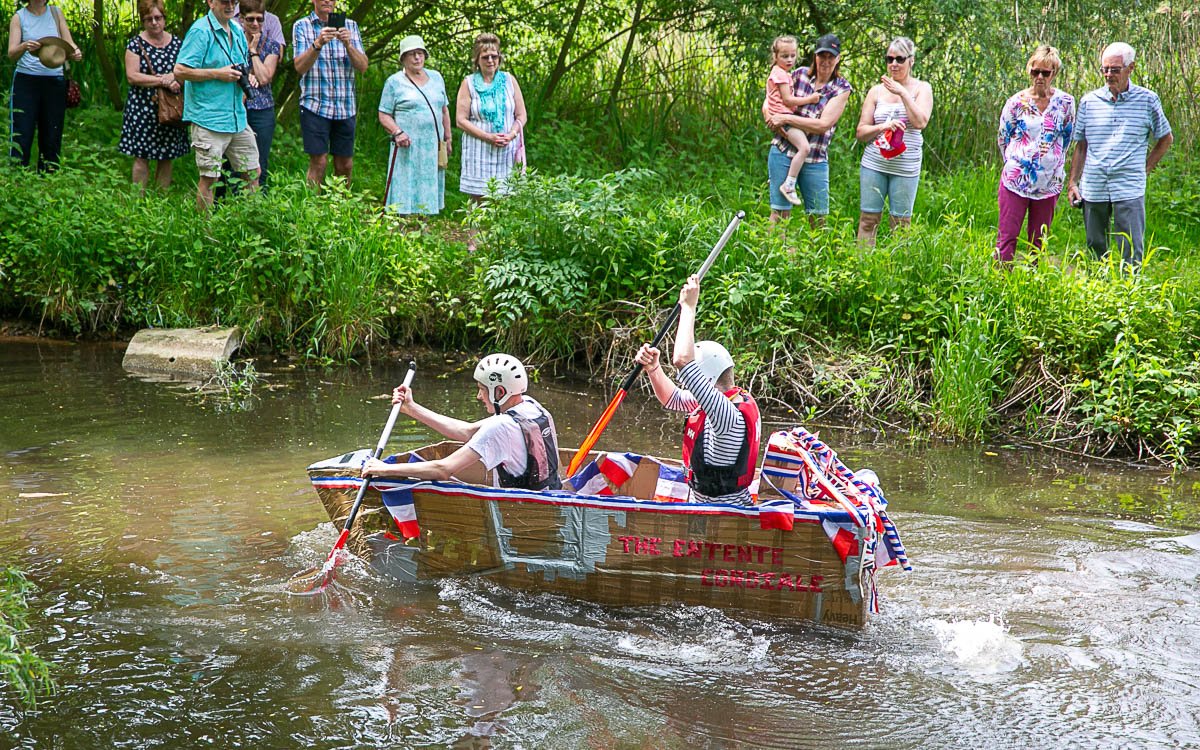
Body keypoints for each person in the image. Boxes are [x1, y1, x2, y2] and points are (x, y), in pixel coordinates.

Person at [633, 276, 761, 506]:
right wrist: (653, 369)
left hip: (725, 516)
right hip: (700, 507)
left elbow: (682, 360)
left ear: (705, 379)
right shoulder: (721, 402)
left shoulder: (727, 416)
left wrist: (688, 307)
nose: (690, 385)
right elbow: (673, 399)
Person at [361, 354, 562, 491]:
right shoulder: (531, 406)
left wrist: (383, 468)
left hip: (526, 512)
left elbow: (443, 469)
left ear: (499, 392)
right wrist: (412, 408)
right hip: (550, 495)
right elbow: (467, 432)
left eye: (481, 389)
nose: (478, 396)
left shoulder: (501, 426)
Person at [1067, 42, 1173, 271]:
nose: (1108, 75)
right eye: (1104, 69)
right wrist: (1073, 182)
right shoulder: (1089, 102)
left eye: (1114, 70)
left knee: (1131, 246)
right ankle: (1098, 284)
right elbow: (1081, 145)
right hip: (1094, 183)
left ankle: (1129, 287)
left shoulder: (1147, 100)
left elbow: (1165, 138)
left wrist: (1145, 169)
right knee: (1095, 243)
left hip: (1128, 184)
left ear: (1130, 68)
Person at [174, 0, 260, 210]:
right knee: (210, 178)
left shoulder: (237, 30)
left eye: (234, 1)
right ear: (211, 2)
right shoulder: (200, 31)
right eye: (224, 1)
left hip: (237, 117)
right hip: (208, 118)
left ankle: (253, 222)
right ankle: (203, 228)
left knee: (252, 172)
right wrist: (216, 73)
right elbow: (180, 71)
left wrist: (248, 78)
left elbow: (241, 66)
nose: (230, 5)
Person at [994, 45, 1075, 264]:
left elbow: (1066, 137)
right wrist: (1016, 161)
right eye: (1035, 71)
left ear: (1054, 74)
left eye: (1045, 73)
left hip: (1049, 182)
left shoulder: (1066, 103)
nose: (1039, 77)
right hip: (1016, 180)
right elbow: (1003, 137)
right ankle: (1001, 278)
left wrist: (1053, 161)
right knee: (1007, 236)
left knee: (1038, 241)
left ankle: (1033, 280)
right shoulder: (1016, 102)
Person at [766, 33, 853, 226]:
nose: (826, 61)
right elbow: (771, 98)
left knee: (818, 218)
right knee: (779, 214)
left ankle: (815, 249)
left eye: (831, 57)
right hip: (783, 150)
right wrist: (769, 117)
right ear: (815, 56)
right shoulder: (798, 74)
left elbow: (822, 125)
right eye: (822, 56)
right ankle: (774, 247)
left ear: (838, 58)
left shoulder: (841, 88)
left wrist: (785, 118)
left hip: (815, 157)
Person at [854, 36, 934, 246]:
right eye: (889, 59)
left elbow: (920, 122)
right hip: (874, 163)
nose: (894, 64)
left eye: (900, 59)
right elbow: (861, 132)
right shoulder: (876, 91)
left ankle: (898, 265)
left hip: (905, 167)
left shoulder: (922, 88)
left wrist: (903, 93)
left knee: (900, 224)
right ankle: (862, 262)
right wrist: (882, 127)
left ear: (911, 60)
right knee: (868, 220)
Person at [292, 0, 368, 186]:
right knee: (319, 162)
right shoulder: (302, 26)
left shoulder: (350, 25)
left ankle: (341, 203)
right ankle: (312, 203)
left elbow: (363, 66)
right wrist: (318, 43)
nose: (327, 0)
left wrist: (348, 45)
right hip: (315, 104)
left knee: (345, 164)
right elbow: (299, 67)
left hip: (345, 106)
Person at [118, 0, 188, 191]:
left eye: (158, 18)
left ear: (165, 19)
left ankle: (161, 198)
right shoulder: (135, 44)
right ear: (143, 21)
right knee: (141, 155)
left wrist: (177, 80)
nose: (154, 22)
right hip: (142, 107)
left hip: (170, 107)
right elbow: (132, 76)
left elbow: (185, 71)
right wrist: (163, 80)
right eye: (149, 19)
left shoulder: (178, 44)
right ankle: (137, 200)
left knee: (167, 156)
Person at [378, 34, 451, 215]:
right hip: (407, 147)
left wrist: (447, 138)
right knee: (403, 183)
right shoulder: (394, 82)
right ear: (403, 58)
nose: (417, 57)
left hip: (432, 146)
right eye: (412, 54)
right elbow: (384, 114)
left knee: (428, 184)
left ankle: (423, 225)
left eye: (420, 53)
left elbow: (444, 110)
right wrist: (397, 132)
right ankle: (400, 226)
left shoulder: (436, 77)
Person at [6, 0, 81, 170]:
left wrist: (75, 52)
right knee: (22, 131)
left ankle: (49, 174)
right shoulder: (19, 17)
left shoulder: (56, 13)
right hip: (26, 80)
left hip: (54, 81)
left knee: (52, 132)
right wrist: (24, 46)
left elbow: (69, 44)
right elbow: (11, 53)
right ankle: (17, 173)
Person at [456, 33, 527, 200]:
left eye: (494, 56)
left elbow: (521, 115)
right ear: (477, 60)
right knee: (479, 200)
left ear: (499, 58)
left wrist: (512, 134)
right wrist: (488, 137)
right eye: (485, 57)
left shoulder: (509, 80)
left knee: (506, 199)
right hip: (478, 151)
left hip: (507, 151)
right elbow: (460, 120)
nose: (490, 61)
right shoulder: (469, 83)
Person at [761, 35, 819, 207]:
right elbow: (787, 100)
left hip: (784, 118)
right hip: (784, 119)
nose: (789, 60)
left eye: (793, 55)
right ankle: (789, 184)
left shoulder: (782, 73)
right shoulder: (780, 74)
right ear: (775, 56)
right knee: (805, 148)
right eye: (784, 56)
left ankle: (781, 179)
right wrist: (810, 99)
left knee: (804, 139)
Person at [239, 0, 279, 191]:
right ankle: (226, 203)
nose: (255, 24)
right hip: (236, 107)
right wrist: (247, 76)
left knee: (259, 161)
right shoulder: (232, 42)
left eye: (259, 19)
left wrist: (253, 52)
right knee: (230, 162)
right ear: (241, 19)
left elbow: (264, 77)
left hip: (262, 109)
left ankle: (258, 203)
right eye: (250, 19)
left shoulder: (271, 45)